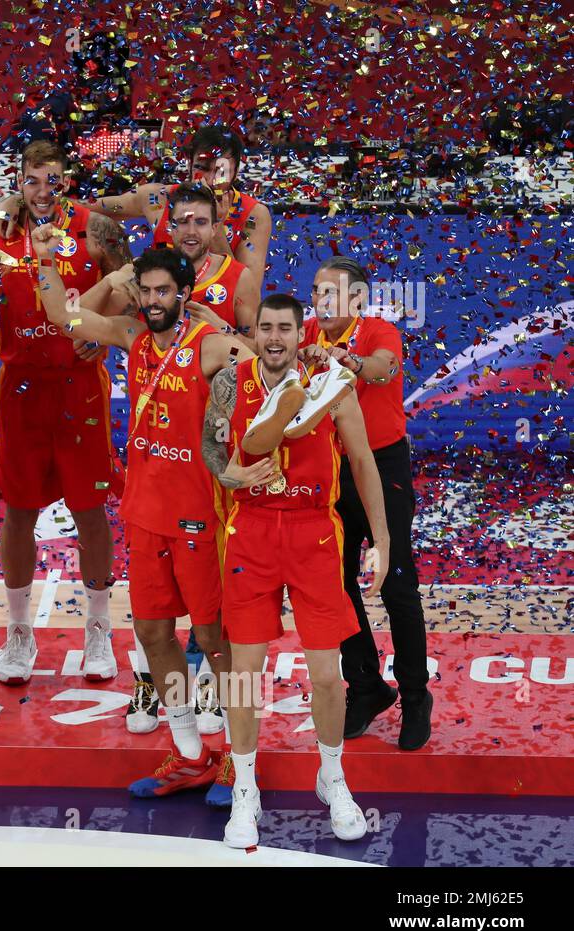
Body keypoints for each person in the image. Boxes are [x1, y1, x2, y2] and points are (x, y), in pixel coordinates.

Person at [29, 231, 263, 807]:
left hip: (200, 518)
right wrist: (44, 259)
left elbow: (270, 375)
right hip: (144, 512)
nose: (154, 300)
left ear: (184, 293)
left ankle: (241, 761)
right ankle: (189, 755)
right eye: (147, 290)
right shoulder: (132, 335)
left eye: (165, 291)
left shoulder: (210, 345)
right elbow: (65, 315)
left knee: (215, 640)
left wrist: (220, 324)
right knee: (154, 634)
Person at [200, 294, 389, 849]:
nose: (276, 337)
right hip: (252, 532)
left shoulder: (331, 383)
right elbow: (214, 452)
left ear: (300, 330)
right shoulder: (230, 383)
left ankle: (332, 775)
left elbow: (362, 461)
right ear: (254, 332)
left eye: (286, 328)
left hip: (314, 535)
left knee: (328, 674)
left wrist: (381, 538)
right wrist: (228, 474)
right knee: (244, 672)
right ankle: (246, 788)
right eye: (267, 329)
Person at [0, 139, 129, 686]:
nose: (43, 191)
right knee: (20, 510)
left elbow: (132, 284)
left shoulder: (95, 227)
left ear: (67, 180)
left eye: (53, 179)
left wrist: (109, 337)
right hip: (21, 386)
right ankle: (18, 633)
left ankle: (99, 628)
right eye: (33, 180)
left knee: (91, 509)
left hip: (80, 385)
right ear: (18, 181)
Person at [304, 256, 432, 750]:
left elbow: (383, 369)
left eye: (331, 292)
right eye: (316, 291)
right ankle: (368, 687)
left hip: (381, 469)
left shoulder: (378, 332)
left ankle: (416, 695)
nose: (320, 300)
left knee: (397, 584)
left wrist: (345, 361)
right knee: (333, 584)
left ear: (357, 299)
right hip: (326, 471)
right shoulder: (306, 332)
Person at [88, 125, 273, 283]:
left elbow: (246, 293)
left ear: (235, 171)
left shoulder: (254, 214)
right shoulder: (158, 197)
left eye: (220, 172)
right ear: (189, 163)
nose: (209, 180)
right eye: (201, 168)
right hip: (159, 310)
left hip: (215, 318)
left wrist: (215, 227)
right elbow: (87, 208)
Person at [158, 183, 258, 333]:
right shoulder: (148, 276)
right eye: (183, 222)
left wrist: (223, 330)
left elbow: (257, 350)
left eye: (201, 222)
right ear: (169, 228)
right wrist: (109, 282)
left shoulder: (239, 278)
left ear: (214, 229)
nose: (191, 231)